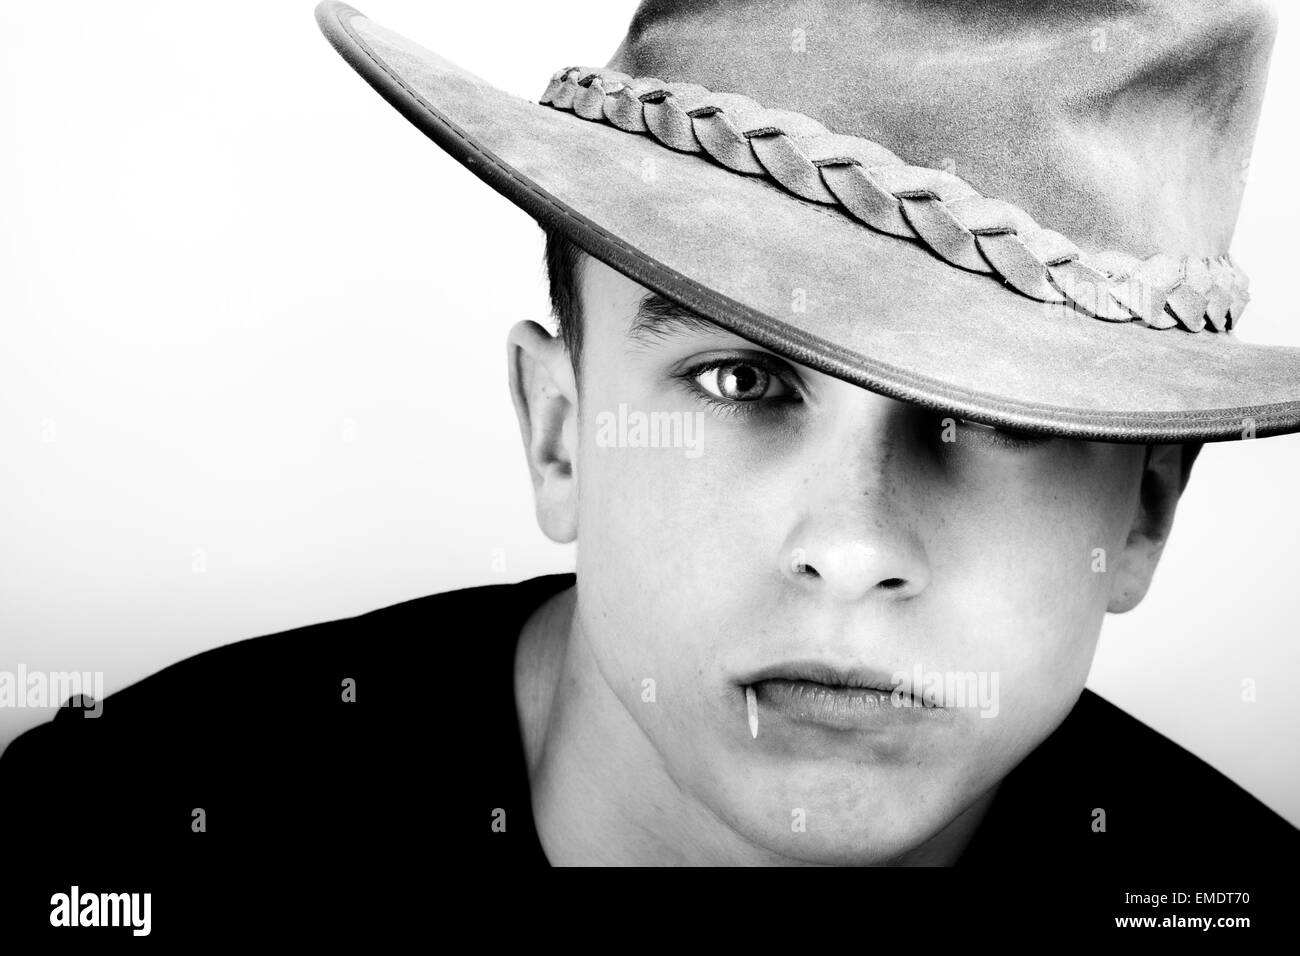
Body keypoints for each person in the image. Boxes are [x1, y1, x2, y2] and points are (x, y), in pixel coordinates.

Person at [2, 0, 1296, 922]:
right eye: (741, 378)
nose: (848, 546)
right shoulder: (122, 842)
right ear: (561, 433)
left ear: (1146, 516)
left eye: (1002, 416)